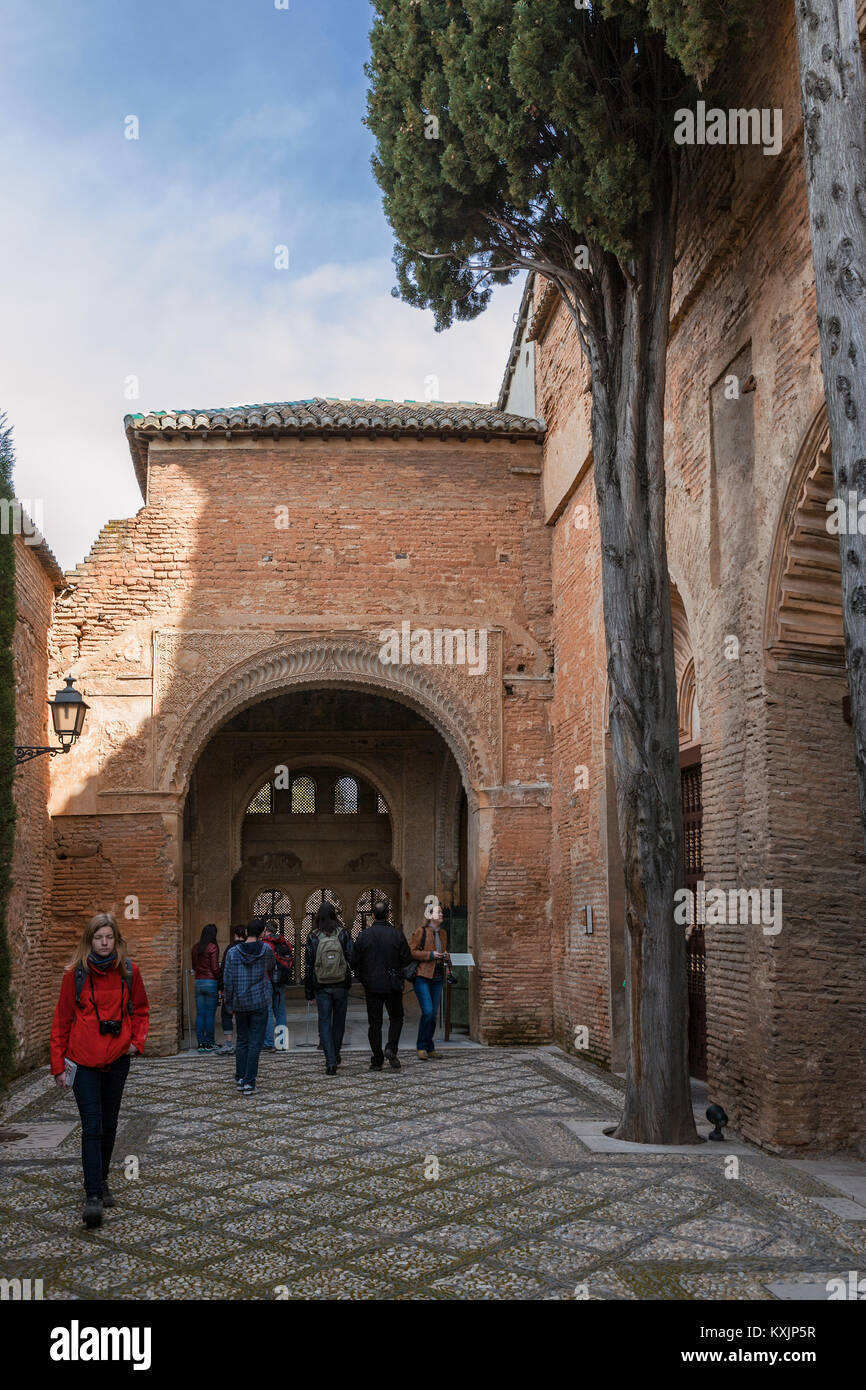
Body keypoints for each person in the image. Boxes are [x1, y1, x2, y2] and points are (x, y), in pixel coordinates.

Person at [50, 912, 149, 1228]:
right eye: (98, 937)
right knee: (92, 1125)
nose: (104, 943)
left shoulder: (130, 972)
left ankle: (102, 1180)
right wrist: (57, 1065)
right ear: (89, 940)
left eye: (109, 937)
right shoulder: (74, 974)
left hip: (117, 1059)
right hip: (83, 1062)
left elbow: (142, 1009)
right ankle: (92, 1195)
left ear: (116, 940)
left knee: (109, 1123)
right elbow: (62, 1019)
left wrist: (136, 1042)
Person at [354, 897, 412, 1072]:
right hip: (392, 984)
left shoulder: (364, 936)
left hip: (372, 985)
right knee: (396, 1018)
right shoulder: (397, 934)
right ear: (388, 915)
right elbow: (406, 959)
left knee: (375, 1023)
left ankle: (377, 1060)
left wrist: (363, 978)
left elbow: (355, 960)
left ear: (372, 915)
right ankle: (391, 1048)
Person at [222, 916, 274, 1095]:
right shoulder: (266, 949)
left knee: (242, 1040)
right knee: (255, 1042)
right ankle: (249, 1082)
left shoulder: (233, 952)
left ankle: (241, 1077)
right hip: (259, 1001)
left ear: (245, 932)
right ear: (261, 934)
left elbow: (227, 980)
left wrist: (229, 1003)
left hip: (240, 1002)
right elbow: (270, 967)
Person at [304, 902, 354, 1076]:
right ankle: (336, 1054)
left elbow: (309, 966)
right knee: (339, 1022)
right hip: (341, 985)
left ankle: (330, 1061)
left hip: (322, 986)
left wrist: (308, 991)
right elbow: (352, 957)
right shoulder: (343, 934)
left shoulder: (313, 936)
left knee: (324, 1021)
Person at [409, 899, 449, 1060]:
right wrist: (431, 955)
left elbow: (444, 950)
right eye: (438, 912)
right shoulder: (421, 931)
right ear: (430, 915)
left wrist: (446, 956)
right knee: (428, 1011)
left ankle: (429, 1046)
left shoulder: (443, 933)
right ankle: (421, 1046)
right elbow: (411, 951)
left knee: (433, 1015)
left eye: (441, 912)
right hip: (423, 976)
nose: (441, 914)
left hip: (438, 976)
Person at [262, 921, 293, 1051]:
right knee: (280, 1012)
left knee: (268, 1012)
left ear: (266, 930)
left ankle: (269, 1043)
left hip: (268, 980)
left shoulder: (265, 944)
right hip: (280, 981)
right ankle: (282, 1043)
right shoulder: (284, 943)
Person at [216, 924, 246, 1053]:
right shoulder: (247, 948)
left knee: (226, 1015)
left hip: (231, 987)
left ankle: (229, 1043)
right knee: (243, 1015)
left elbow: (224, 970)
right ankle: (243, 1042)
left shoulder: (230, 948)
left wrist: (221, 987)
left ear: (235, 934)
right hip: (245, 988)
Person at [192, 923, 220, 1052]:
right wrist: (220, 978)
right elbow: (214, 968)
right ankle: (209, 1043)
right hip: (210, 982)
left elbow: (194, 966)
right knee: (209, 1015)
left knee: (200, 1014)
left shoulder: (195, 947)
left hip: (198, 982)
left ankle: (201, 1044)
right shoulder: (213, 947)